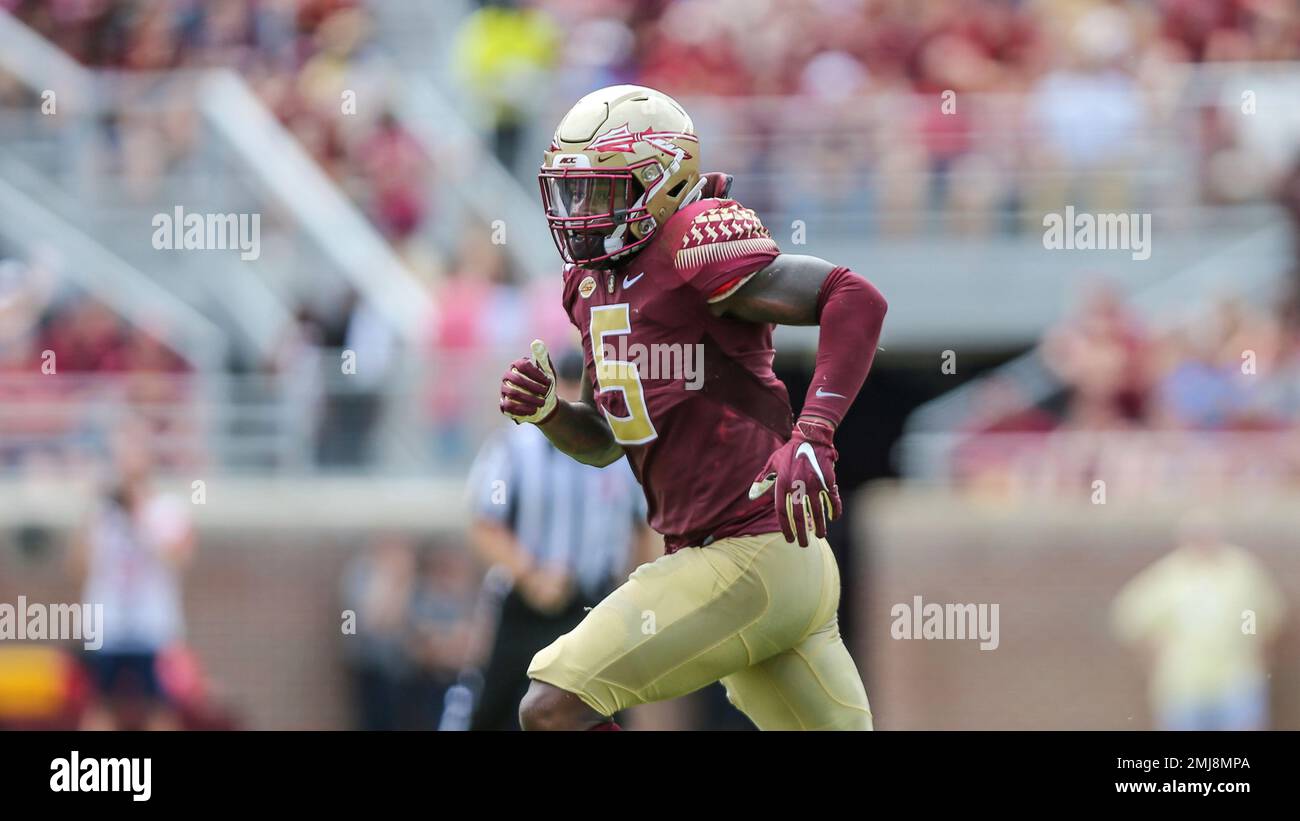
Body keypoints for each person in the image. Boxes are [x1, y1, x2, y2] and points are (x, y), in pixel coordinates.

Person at [499, 85, 887, 730]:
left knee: (552, 706)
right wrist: (551, 415)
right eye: (576, 191)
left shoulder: (692, 243)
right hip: (768, 564)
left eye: (603, 191)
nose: (582, 210)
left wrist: (815, 433)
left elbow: (854, 296)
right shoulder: (590, 285)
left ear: (663, 183)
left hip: (746, 548)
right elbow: (608, 441)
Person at [469, 348, 656, 730]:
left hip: (594, 605)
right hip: (527, 606)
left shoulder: (619, 450)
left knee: (601, 711)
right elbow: (486, 522)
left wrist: (629, 593)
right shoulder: (513, 448)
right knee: (503, 711)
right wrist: (531, 576)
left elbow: (643, 526)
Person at [1112, 511, 1287, 731]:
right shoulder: (1168, 576)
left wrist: (1256, 652)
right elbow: (1130, 617)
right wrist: (1154, 653)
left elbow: (1272, 614)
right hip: (1183, 685)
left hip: (1237, 681)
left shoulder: (1242, 572)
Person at [71, 424, 195, 730]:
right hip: (108, 623)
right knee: (100, 704)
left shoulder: (167, 508)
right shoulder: (102, 511)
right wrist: (90, 513)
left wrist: (140, 518)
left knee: (160, 706)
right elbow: (77, 566)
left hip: (152, 624)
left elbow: (180, 557)